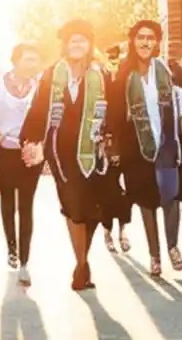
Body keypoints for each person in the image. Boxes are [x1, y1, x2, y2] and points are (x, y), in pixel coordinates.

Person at [20, 19, 112, 292]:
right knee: (74, 206)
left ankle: (82, 259)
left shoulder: (102, 74)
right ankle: (81, 265)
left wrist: (112, 138)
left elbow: (115, 108)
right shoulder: (52, 74)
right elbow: (38, 108)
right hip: (60, 151)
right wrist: (31, 139)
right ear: (65, 45)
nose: (77, 45)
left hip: (93, 150)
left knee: (92, 210)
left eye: (82, 40)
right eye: (72, 40)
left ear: (89, 44)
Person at [109, 20, 182, 278]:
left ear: (157, 42)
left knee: (171, 196)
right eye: (141, 37)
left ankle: (173, 246)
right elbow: (114, 112)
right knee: (146, 202)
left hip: (167, 141)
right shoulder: (123, 74)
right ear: (133, 41)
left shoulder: (168, 70)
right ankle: (155, 256)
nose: (146, 42)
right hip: (136, 146)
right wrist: (114, 147)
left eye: (151, 37)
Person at [0, 42, 43, 285]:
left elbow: (45, 120)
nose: (32, 64)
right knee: (8, 201)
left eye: (35, 59)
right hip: (4, 152)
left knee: (26, 205)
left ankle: (25, 261)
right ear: (15, 60)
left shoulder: (40, 88)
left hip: (29, 154)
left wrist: (39, 146)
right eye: (28, 59)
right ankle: (11, 247)